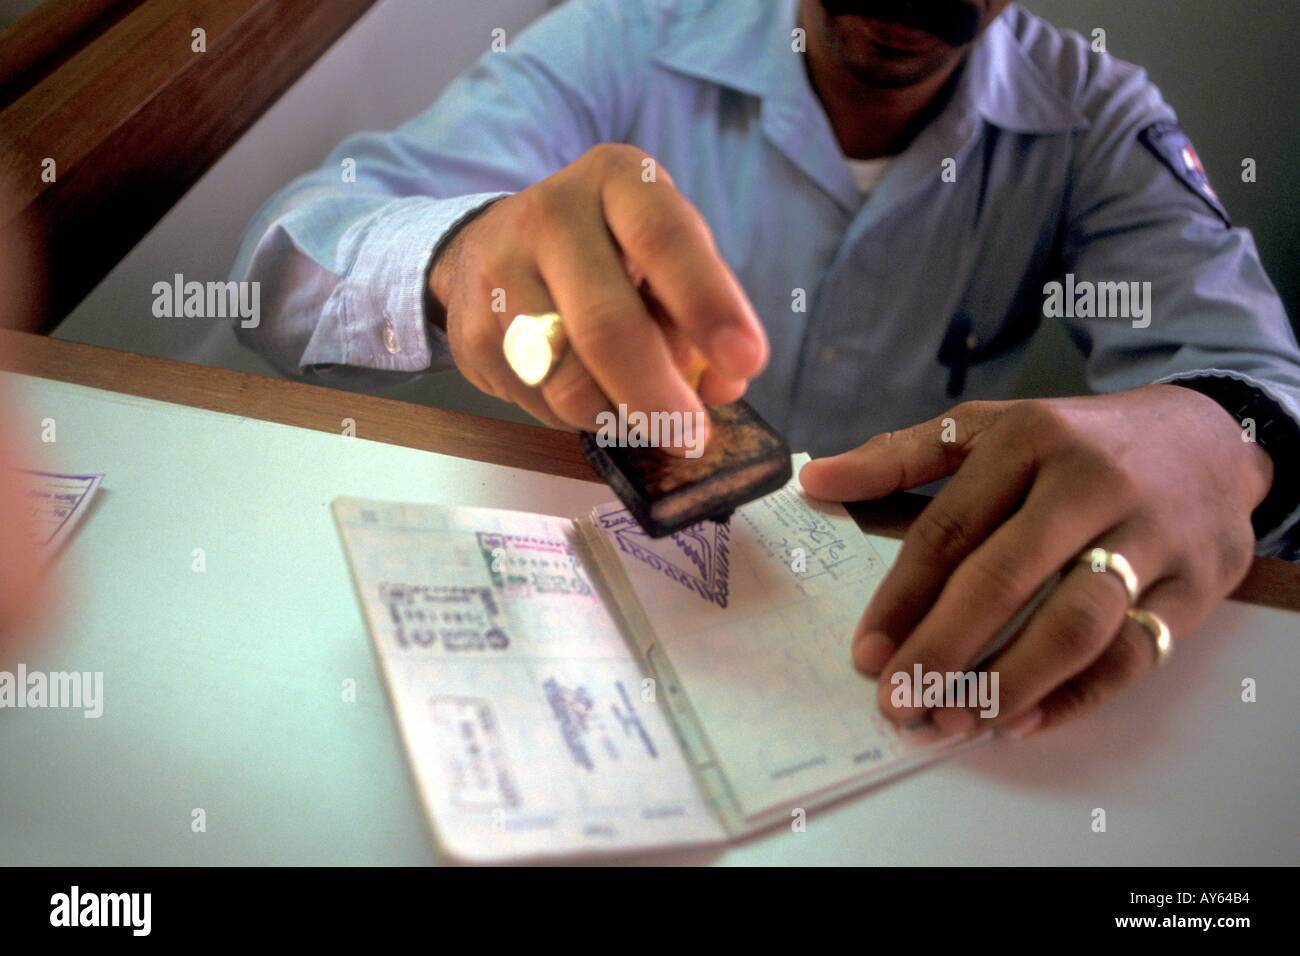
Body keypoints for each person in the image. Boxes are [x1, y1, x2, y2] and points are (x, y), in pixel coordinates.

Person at [232, 0, 1300, 738]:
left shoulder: (1098, 122)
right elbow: (278, 266)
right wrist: (461, 258)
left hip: (892, 631)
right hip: (602, 598)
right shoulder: (626, 34)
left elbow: (1254, 373)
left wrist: (1218, 432)